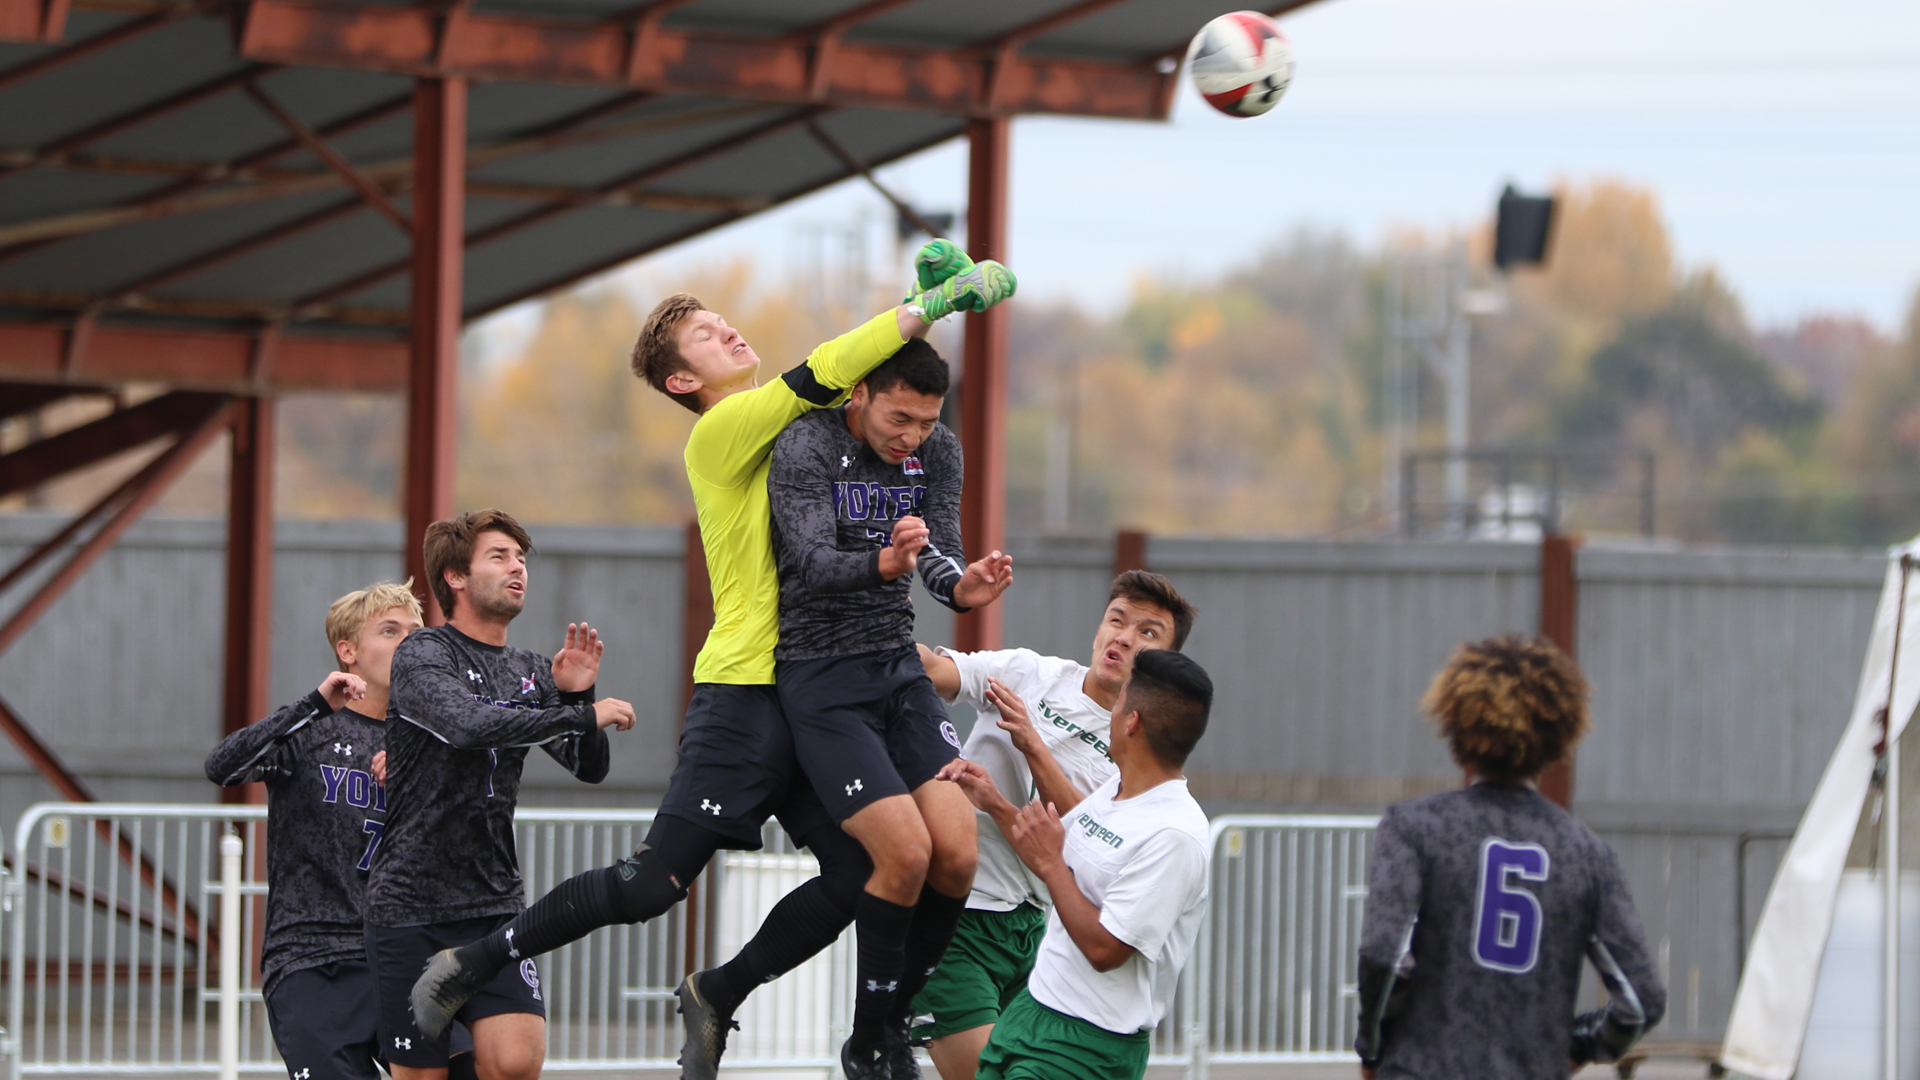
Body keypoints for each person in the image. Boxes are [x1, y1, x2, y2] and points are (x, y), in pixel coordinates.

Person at [408, 243, 1016, 1080]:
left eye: (720, 321)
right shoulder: (728, 428)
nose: (726, 330)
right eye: (702, 335)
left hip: (818, 682)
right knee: (653, 885)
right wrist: (939, 302)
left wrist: (917, 307)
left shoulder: (809, 427)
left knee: (870, 869)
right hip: (744, 687)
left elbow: (871, 389)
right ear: (680, 384)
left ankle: (731, 997)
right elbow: (831, 366)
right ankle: (475, 961)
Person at [766, 338, 1015, 1078]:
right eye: (899, 417)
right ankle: (871, 1036)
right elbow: (808, 559)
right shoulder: (805, 447)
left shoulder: (938, 451)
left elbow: (935, 549)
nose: (911, 436)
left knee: (957, 853)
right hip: (819, 673)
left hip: (899, 669)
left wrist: (960, 588)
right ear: (861, 395)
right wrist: (885, 562)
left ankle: (884, 1024)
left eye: (926, 421)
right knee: (905, 854)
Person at [367, 510, 636, 1080]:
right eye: (500, 556)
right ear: (456, 577)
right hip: (409, 905)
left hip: (493, 904)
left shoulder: (534, 670)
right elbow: (467, 725)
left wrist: (576, 694)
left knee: (515, 1063)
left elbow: (590, 768)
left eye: (521, 558)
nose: (518, 567)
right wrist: (581, 714)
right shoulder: (424, 655)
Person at [908, 570, 1198, 1080]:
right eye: (1117, 620)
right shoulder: (1031, 674)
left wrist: (1033, 746)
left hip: (1037, 930)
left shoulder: (1138, 751)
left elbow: (1082, 838)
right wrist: (871, 625)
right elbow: (936, 669)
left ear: (1162, 665)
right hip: (958, 914)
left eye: (1147, 633)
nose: (1124, 637)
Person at [1353, 635, 1666, 1079]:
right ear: (1561, 735)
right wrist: (1575, 1047)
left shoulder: (1414, 827)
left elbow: (1385, 955)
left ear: (1456, 724)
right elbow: (1641, 1000)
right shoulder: (1587, 853)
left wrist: (1372, 1048)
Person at [205, 582, 441, 1080]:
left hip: (401, 954)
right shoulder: (311, 729)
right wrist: (313, 704)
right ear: (348, 651)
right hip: (314, 959)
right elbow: (222, 766)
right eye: (390, 630)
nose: (408, 642)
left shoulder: (430, 743)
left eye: (415, 633)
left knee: (475, 1066)